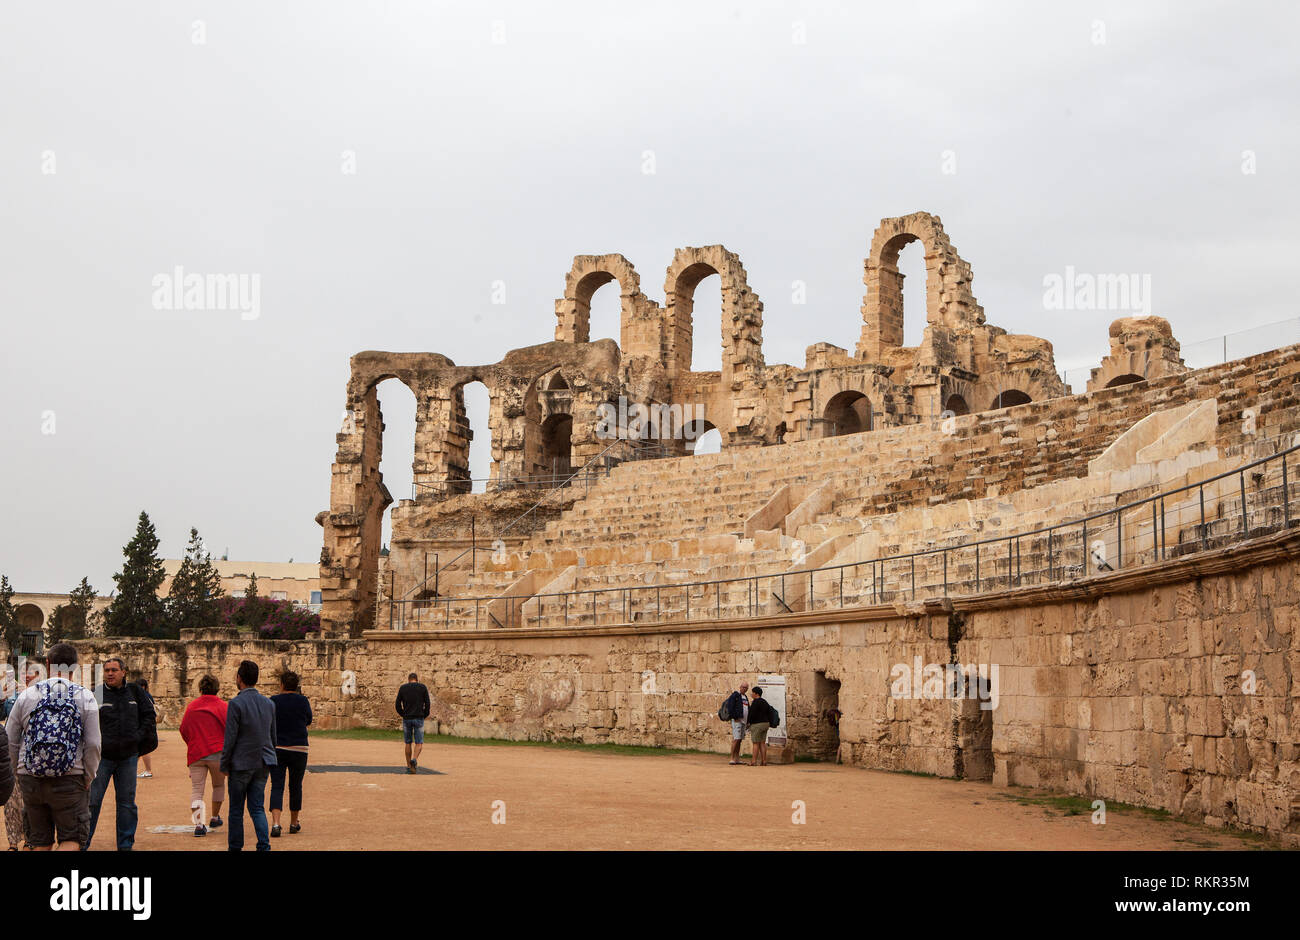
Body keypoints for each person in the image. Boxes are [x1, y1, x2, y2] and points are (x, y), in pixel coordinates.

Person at [4, 643, 101, 851]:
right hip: (70, 776)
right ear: (75, 667)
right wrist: (88, 776)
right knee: (71, 839)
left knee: (39, 841)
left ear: (47, 664)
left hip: (30, 776)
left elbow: (11, 740)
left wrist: (17, 772)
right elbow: (93, 744)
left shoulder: (27, 695)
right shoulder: (85, 696)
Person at [86, 657, 157, 851]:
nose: (110, 673)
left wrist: (138, 737)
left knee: (127, 804)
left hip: (128, 758)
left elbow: (149, 716)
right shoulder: (97, 694)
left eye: (114, 670)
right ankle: (83, 844)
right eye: (107, 670)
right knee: (92, 802)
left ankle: (125, 845)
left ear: (123, 672)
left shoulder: (135, 692)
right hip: (102, 758)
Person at [220, 660, 278, 852]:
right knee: (257, 808)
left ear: (239, 678)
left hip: (241, 763)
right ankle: (264, 845)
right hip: (263, 761)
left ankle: (235, 847)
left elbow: (230, 738)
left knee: (236, 810)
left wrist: (225, 764)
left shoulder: (236, 704)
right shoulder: (269, 703)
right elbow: (273, 736)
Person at [179, 674, 227, 838]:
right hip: (218, 752)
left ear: (200, 689)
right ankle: (214, 817)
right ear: (217, 688)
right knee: (218, 785)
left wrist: (192, 743)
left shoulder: (192, 707)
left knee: (197, 790)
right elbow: (230, 730)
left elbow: (184, 729)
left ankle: (199, 825)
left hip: (197, 753)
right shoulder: (223, 706)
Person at [1, 659, 41, 850]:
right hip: (11, 755)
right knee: (11, 803)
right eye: (24, 672)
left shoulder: (43, 695)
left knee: (29, 803)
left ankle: (30, 840)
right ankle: (13, 842)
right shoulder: (12, 695)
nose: (26, 675)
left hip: (32, 756)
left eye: (31, 672)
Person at [268, 671, 312, 837]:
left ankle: (276, 823)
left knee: (277, 785)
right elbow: (308, 719)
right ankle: (294, 822)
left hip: (278, 747)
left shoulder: (273, 701)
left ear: (282, 684)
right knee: (295, 785)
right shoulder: (303, 700)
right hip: (299, 748)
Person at [394, 672, 431, 774]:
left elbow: (397, 704)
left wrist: (403, 714)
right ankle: (414, 759)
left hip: (407, 718)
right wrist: (424, 714)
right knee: (419, 742)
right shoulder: (422, 687)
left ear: (408, 679)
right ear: (417, 679)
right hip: (419, 717)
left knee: (408, 742)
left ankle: (409, 765)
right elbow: (427, 703)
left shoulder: (403, 688)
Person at [745, 686, 774, 766]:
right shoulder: (764, 702)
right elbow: (769, 712)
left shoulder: (755, 702)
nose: (751, 694)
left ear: (756, 693)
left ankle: (754, 761)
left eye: (753, 692)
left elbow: (751, 714)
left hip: (757, 724)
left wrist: (748, 723)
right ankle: (764, 761)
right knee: (762, 743)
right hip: (766, 723)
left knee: (755, 743)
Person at [722, 681, 749, 765]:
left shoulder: (745, 697)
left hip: (744, 721)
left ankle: (737, 758)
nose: (744, 689)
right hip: (737, 721)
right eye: (743, 687)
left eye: (746, 688)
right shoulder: (735, 695)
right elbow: (730, 707)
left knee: (740, 740)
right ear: (740, 687)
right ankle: (732, 758)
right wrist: (735, 717)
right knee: (736, 739)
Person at [135, 678, 157, 778]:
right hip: (147, 725)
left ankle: (148, 770)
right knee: (138, 750)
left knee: (143, 749)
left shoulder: (142, 696)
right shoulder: (148, 696)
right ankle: (130, 770)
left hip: (144, 725)